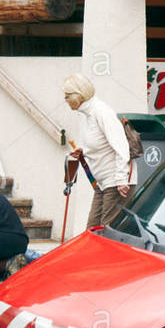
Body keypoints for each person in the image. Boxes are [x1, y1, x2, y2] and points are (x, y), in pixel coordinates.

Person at [62, 74, 134, 228]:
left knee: (105, 232)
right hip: (103, 184)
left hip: (116, 182)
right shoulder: (88, 114)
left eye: (67, 96)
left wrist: (121, 179)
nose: (65, 100)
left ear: (77, 97)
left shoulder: (101, 112)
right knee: (93, 230)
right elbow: (100, 143)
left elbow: (121, 146)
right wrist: (85, 150)